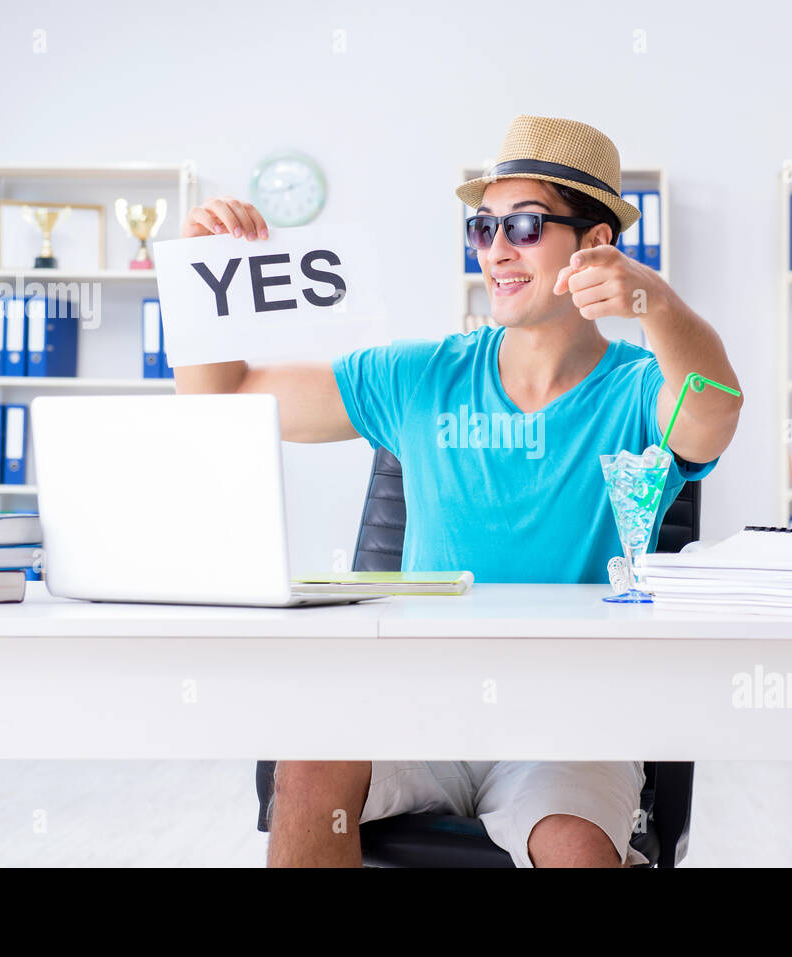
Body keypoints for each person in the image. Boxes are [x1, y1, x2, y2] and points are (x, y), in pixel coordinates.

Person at [175, 115, 742, 867]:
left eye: (526, 225)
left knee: (572, 844)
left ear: (598, 241)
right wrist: (200, 273)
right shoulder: (419, 376)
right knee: (309, 764)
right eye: (483, 227)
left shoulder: (639, 392)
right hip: (420, 701)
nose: (498, 249)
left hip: (569, 723)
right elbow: (228, 395)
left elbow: (713, 413)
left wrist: (658, 307)